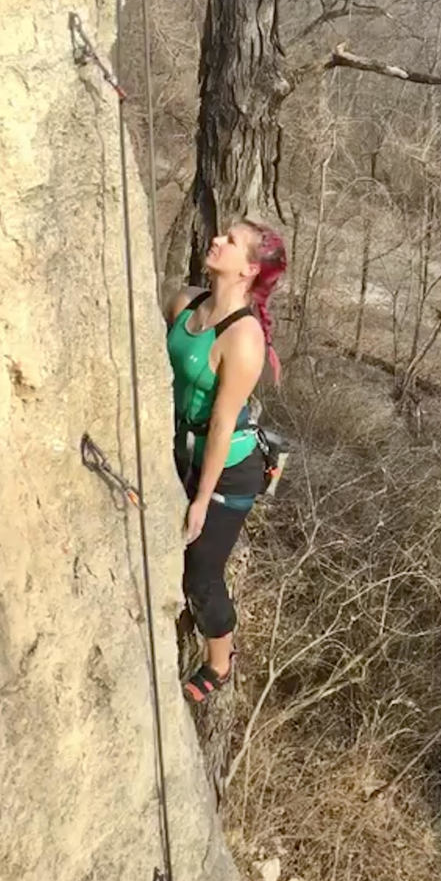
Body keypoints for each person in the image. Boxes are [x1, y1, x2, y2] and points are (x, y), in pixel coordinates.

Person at [165, 218, 286, 702]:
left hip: (229, 469)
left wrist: (199, 500)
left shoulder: (243, 339)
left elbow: (220, 425)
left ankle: (220, 661)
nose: (216, 240)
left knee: (201, 573)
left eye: (230, 242)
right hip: (184, 444)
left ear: (249, 269)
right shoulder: (184, 302)